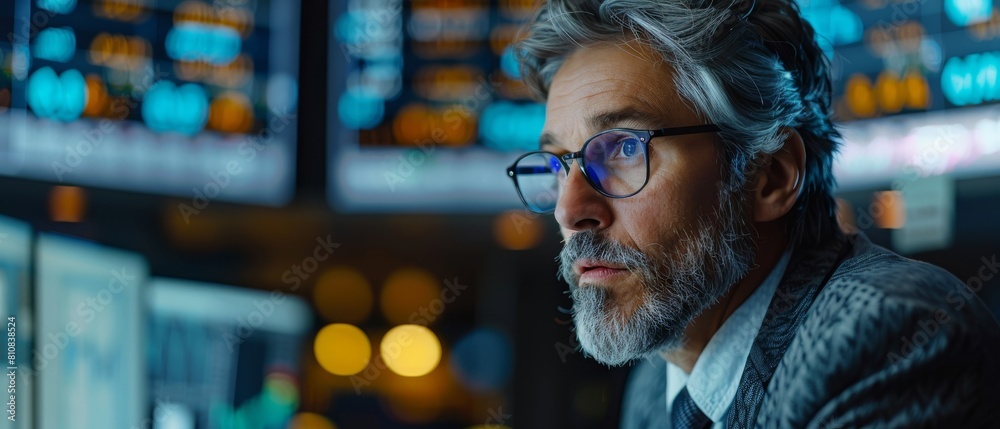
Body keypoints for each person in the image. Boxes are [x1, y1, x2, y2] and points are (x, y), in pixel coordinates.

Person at [504, 0, 1000, 427]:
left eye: (623, 149)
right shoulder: (655, 388)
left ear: (772, 176)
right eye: (559, 163)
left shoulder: (892, 339)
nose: (570, 210)